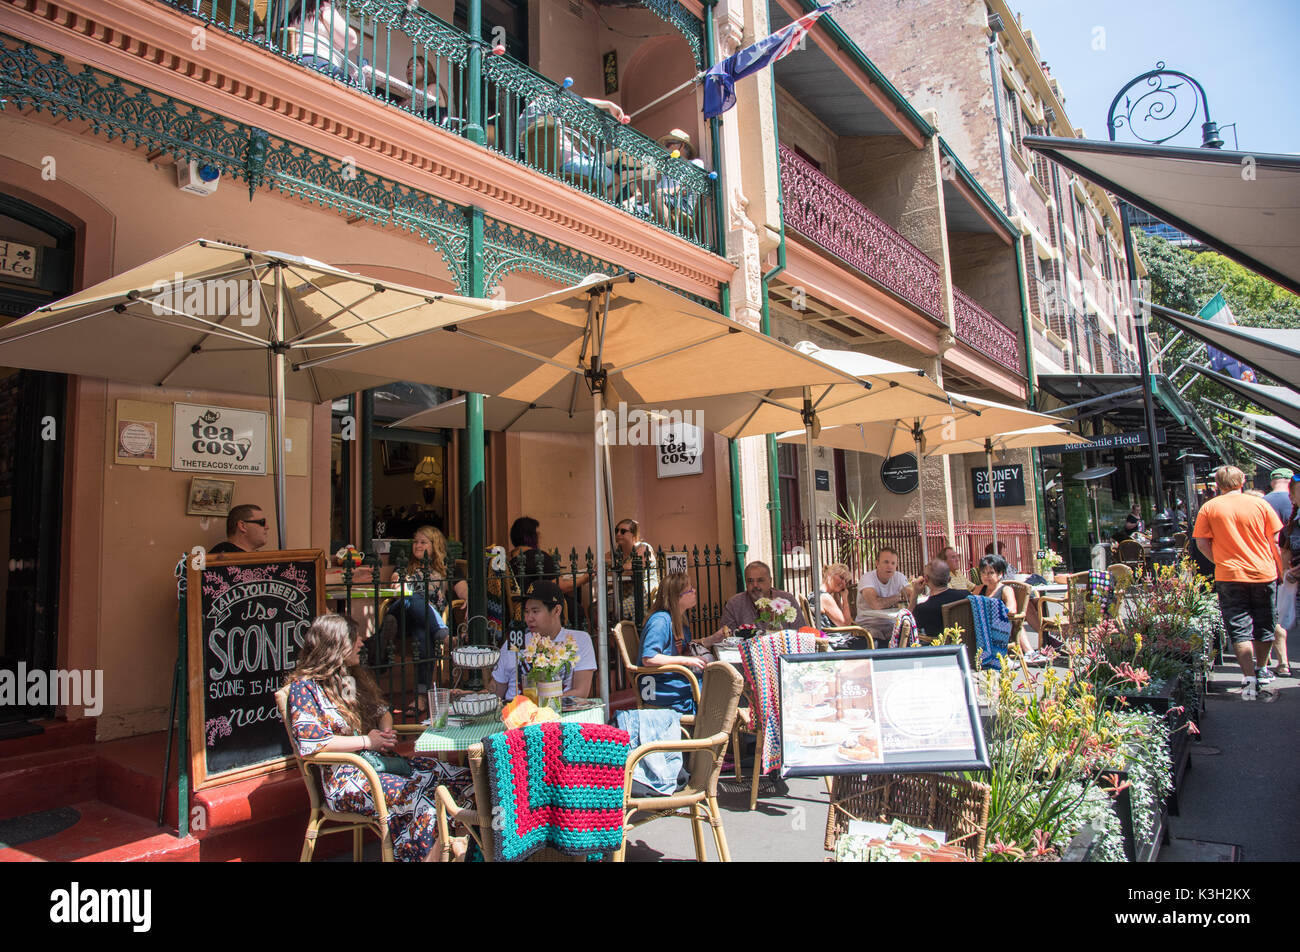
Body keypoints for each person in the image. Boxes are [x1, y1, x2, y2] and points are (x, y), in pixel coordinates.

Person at [284, 613, 470, 862]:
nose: (361, 643)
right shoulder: (304, 689)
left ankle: (459, 852)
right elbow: (314, 744)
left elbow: (380, 711)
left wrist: (384, 729)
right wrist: (367, 742)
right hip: (347, 781)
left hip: (377, 766)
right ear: (336, 645)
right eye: (355, 638)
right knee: (424, 797)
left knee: (457, 777)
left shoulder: (346, 679)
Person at [1193, 465, 1286, 700]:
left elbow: (1202, 543)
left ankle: (1248, 677)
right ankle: (1262, 668)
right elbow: (1275, 541)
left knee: (1238, 626)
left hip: (1229, 575)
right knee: (1265, 622)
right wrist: (1280, 569)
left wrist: (1220, 561)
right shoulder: (1260, 504)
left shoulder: (1209, 507)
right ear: (1242, 480)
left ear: (1217, 484)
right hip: (1263, 573)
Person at [490, 580, 596, 701]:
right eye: (526, 611)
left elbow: (581, 692)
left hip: (557, 711)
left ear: (557, 610)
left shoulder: (579, 640)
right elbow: (496, 690)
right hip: (514, 710)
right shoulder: (515, 642)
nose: (529, 618)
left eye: (535, 611)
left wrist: (538, 704)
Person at [637, 572, 725, 714]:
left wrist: (712, 639)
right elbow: (649, 658)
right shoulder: (660, 621)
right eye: (690, 590)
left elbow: (685, 647)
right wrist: (687, 661)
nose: (694, 591)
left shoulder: (679, 620)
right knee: (714, 688)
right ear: (677, 597)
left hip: (672, 680)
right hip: (657, 688)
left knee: (716, 682)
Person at [397, 525, 452, 714]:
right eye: (415, 542)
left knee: (422, 635)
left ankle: (421, 697)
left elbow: (464, 590)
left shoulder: (445, 571)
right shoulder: (406, 568)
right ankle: (443, 634)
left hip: (423, 624)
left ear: (434, 545)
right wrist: (398, 580)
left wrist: (469, 600)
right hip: (403, 617)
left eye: (423, 542)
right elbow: (395, 589)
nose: (417, 545)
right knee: (412, 598)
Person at [507, 516, 592, 625]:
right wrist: (585, 578)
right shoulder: (539, 557)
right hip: (544, 610)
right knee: (576, 608)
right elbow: (560, 586)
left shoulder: (509, 560)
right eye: (537, 534)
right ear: (531, 536)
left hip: (520, 612)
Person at [973, 554, 1043, 663]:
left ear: (1000, 574)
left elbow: (1012, 609)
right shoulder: (979, 589)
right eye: (983, 573)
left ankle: (1002, 657)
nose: (986, 576)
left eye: (991, 573)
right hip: (981, 626)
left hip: (1000, 626)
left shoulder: (1005, 590)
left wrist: (993, 609)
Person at [720, 561, 807, 630]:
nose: (755, 585)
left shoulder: (787, 599)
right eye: (750, 581)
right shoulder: (734, 604)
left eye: (760, 580)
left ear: (770, 581)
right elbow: (727, 637)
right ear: (746, 583)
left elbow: (801, 630)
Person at [289, 0, 358, 80]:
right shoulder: (324, 8)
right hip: (319, 62)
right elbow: (351, 41)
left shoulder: (295, 13)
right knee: (352, 86)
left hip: (296, 59)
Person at [908, 560, 970, 641]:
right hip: (968, 648)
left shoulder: (923, 609)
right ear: (949, 579)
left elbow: (907, 625)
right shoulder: (966, 596)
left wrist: (915, 593)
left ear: (926, 580)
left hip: (940, 651)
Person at [612, 517, 658, 621]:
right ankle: (609, 636)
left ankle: (627, 635)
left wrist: (616, 568)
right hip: (623, 593)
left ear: (633, 535)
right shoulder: (618, 552)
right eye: (616, 531)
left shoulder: (643, 547)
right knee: (594, 608)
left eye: (623, 531)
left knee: (620, 609)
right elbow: (602, 566)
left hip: (644, 594)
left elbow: (630, 567)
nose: (618, 534)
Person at [818, 563, 855, 628]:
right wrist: (845, 599)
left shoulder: (818, 594)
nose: (843, 583)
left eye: (845, 581)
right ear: (829, 575)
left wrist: (837, 598)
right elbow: (846, 625)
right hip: (834, 637)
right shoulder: (825, 597)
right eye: (841, 577)